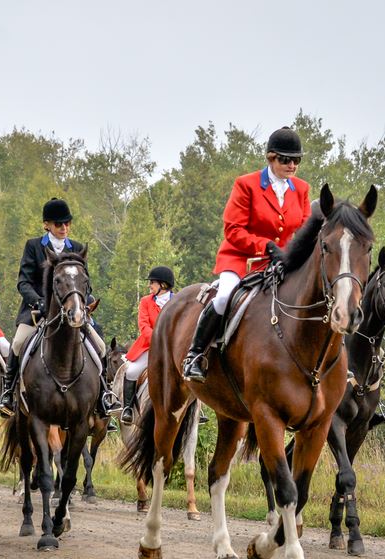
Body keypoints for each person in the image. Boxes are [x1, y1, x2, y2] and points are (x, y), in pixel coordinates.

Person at [183, 126, 311, 381]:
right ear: (271, 158)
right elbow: (233, 229)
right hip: (242, 259)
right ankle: (195, 355)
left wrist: (295, 253)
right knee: (223, 297)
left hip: (281, 262)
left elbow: (305, 229)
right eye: (286, 159)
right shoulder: (247, 185)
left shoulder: (302, 189)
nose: (292, 165)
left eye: (296, 160)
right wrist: (265, 246)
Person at [0, 197, 120, 418]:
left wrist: (82, 302)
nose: (64, 228)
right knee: (16, 343)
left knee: (101, 346)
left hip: (73, 309)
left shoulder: (78, 248)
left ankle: (104, 395)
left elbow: (86, 283)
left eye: (67, 223)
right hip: (37, 311)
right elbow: (23, 282)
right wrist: (39, 302)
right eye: (58, 224)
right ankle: (8, 392)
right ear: (47, 225)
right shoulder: (34, 246)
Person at [121, 267, 175, 425]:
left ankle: (198, 411)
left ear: (163, 285)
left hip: (173, 348)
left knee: (187, 372)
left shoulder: (177, 301)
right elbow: (143, 326)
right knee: (131, 371)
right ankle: (128, 408)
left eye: (152, 282)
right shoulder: (145, 301)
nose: (149, 285)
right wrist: (159, 342)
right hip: (149, 347)